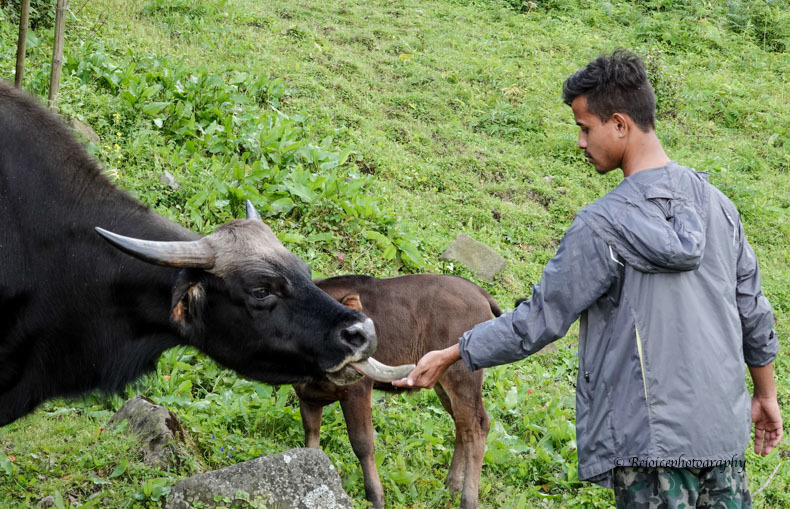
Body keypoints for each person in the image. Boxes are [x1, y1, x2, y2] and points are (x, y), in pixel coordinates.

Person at [393, 49, 782, 507]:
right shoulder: (720, 208)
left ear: (619, 124)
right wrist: (766, 395)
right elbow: (754, 312)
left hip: (647, 446)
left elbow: (539, 319)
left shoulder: (602, 226)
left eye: (584, 127)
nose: (580, 142)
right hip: (722, 436)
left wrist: (454, 351)